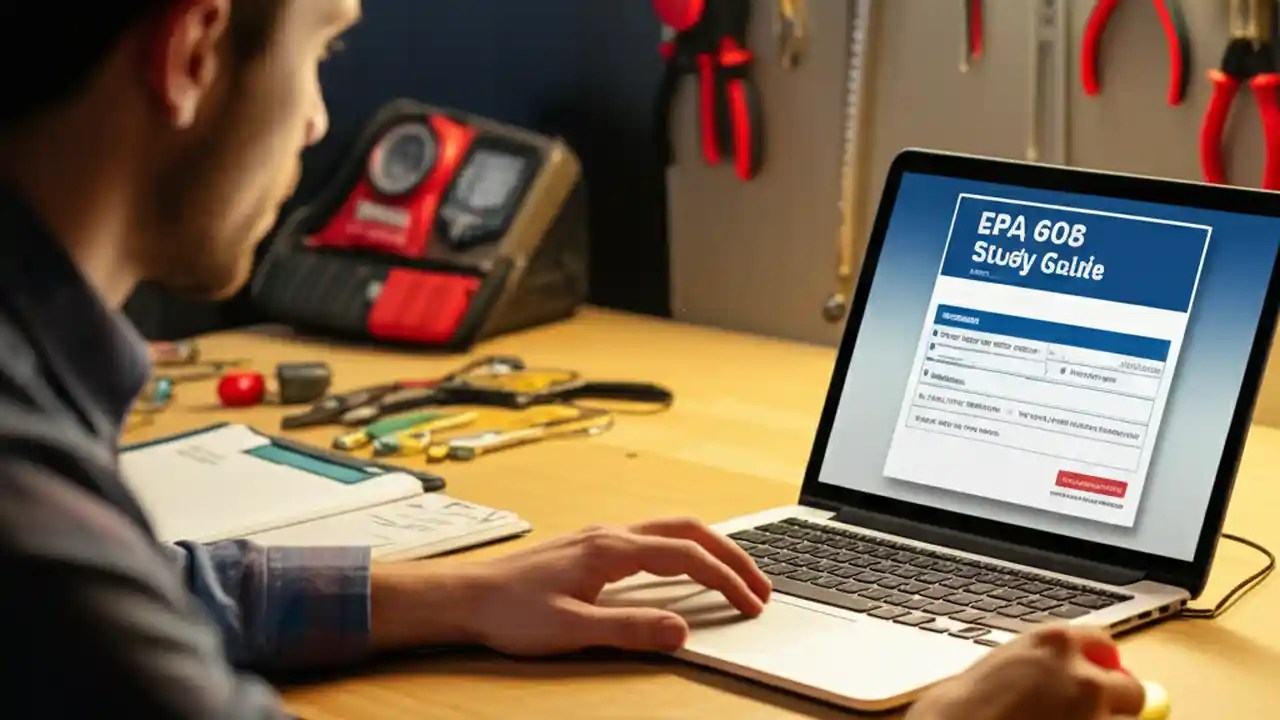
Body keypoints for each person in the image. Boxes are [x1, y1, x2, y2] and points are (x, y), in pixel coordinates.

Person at [0, 1, 1146, 717]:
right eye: (322, 51)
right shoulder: (29, 511)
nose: (314, 124)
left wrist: (457, 594)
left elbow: (154, 591)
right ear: (194, 52)